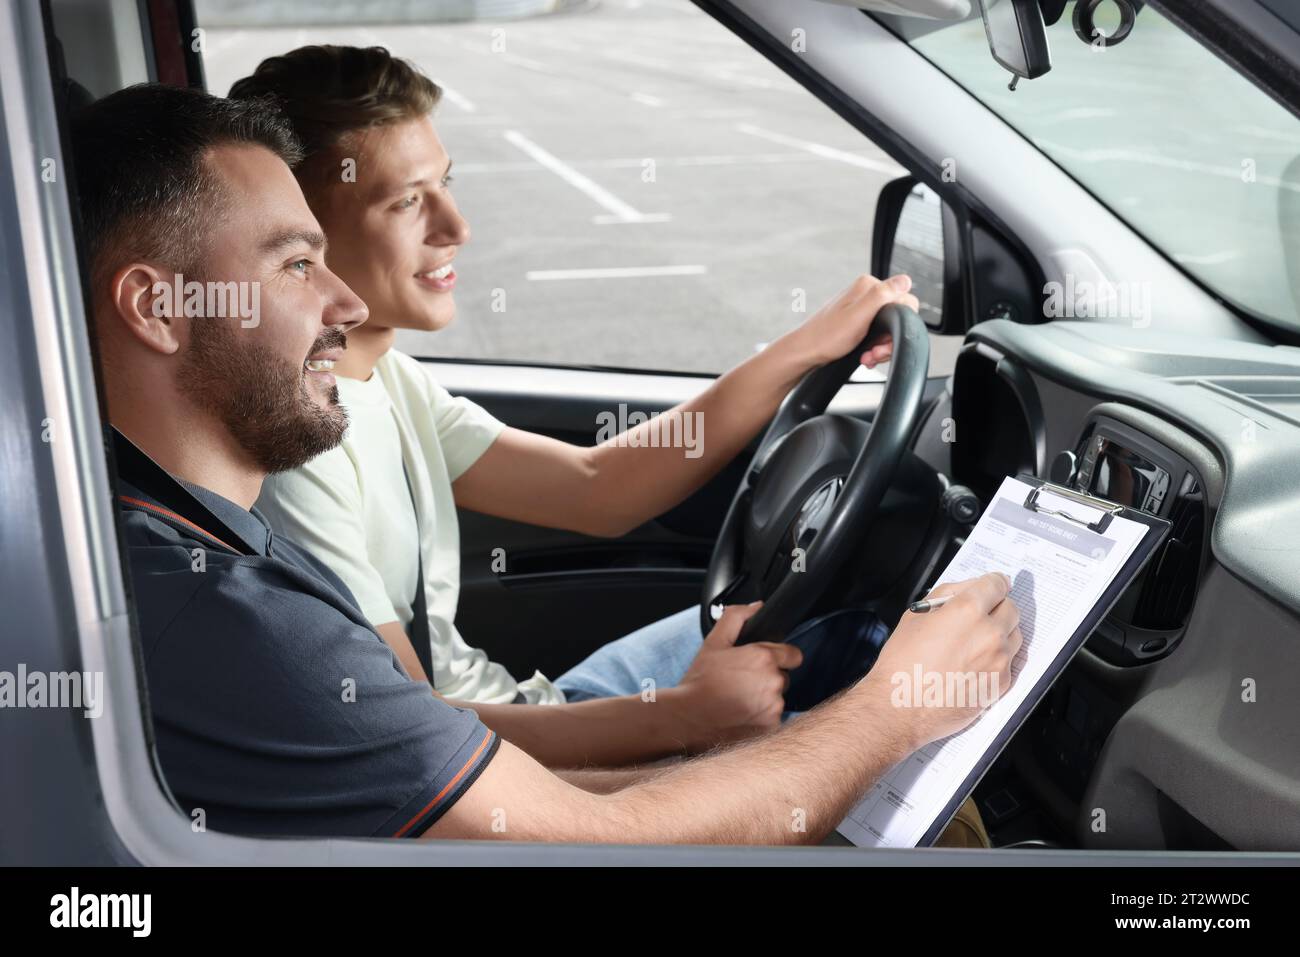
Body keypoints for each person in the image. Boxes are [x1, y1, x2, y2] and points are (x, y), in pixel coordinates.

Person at [73, 82, 1021, 843]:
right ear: (156, 308)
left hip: (491, 771)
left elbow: (595, 487)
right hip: (517, 779)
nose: (344, 302)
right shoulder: (234, 617)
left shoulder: (198, 534)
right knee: (868, 675)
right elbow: (586, 838)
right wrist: (886, 707)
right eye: (292, 264)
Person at [230, 46, 920, 767]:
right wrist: (683, 720)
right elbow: (414, 735)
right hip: (508, 770)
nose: (456, 227)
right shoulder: (302, 446)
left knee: (843, 622)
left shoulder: (388, 377)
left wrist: (807, 348)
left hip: (538, 714)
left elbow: (599, 489)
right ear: (300, 233)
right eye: (407, 201)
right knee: (878, 715)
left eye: (446, 185)